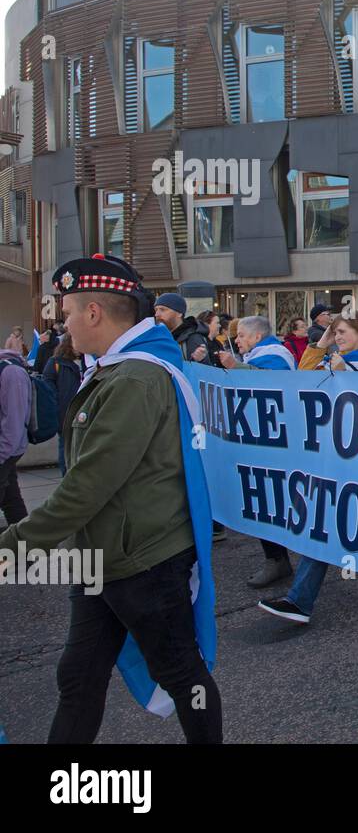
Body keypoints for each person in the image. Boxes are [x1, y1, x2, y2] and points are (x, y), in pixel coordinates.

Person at [0, 254, 222, 742]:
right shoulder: (115, 371)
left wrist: (11, 547)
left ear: (94, 312)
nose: (64, 327)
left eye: (68, 315)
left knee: (184, 676)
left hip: (143, 562)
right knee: (78, 677)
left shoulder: (134, 379)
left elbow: (86, 486)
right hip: (105, 560)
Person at [259, 313, 358, 622]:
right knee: (343, 519)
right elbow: (302, 379)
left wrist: (340, 368)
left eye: (341, 331)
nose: (337, 337)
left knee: (329, 519)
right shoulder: (341, 358)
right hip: (343, 454)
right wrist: (321, 344)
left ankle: (301, 600)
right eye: (334, 332)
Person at [217, 315, 298, 588]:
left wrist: (236, 368)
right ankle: (276, 559)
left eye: (241, 335)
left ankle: (278, 560)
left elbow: (271, 384)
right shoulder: (258, 356)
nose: (237, 340)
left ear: (257, 337)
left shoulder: (276, 356)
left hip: (274, 445)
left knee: (270, 501)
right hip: (260, 442)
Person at [41, 333, 85, 475]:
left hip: (78, 410)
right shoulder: (55, 363)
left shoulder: (82, 362)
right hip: (64, 411)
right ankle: (66, 473)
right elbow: (49, 387)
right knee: (65, 444)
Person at [0, 332, 31, 529]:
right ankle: (28, 552)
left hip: (5, 451)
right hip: (5, 452)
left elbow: (14, 422)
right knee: (12, 501)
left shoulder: (11, 372)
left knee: (11, 500)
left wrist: (2, 455)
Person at [153, 293, 208, 363]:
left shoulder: (193, 338)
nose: (156, 314)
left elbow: (204, 370)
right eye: (156, 310)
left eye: (163, 310)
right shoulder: (158, 337)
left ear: (179, 313)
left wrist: (199, 360)